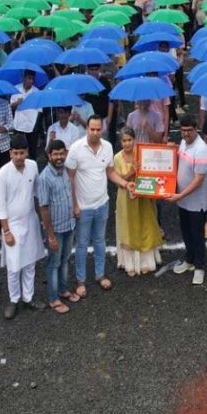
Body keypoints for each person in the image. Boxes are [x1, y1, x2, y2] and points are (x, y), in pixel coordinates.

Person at [67, 116, 130, 297]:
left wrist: (125, 184)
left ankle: (100, 275)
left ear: (102, 129)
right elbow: (70, 177)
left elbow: (110, 172)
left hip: (102, 203)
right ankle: (81, 281)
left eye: (98, 129)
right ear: (86, 128)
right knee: (82, 244)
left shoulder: (108, 147)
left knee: (100, 241)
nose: (95, 133)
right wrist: (74, 205)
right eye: (92, 129)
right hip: (83, 207)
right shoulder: (76, 149)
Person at [0, 134, 46, 319]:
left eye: (22, 153)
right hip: (12, 225)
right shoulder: (3, 174)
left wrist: (44, 217)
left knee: (30, 262)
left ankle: (28, 297)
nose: (19, 156)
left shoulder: (33, 166)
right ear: (10, 153)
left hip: (30, 220)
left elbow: (37, 193)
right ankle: (14, 299)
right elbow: (0, 205)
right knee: (14, 265)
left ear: (27, 152)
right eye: (15, 153)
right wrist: (6, 231)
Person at [167, 116, 207, 285]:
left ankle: (199, 267)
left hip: (195, 203)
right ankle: (189, 259)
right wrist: (174, 148)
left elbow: (198, 180)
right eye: (183, 131)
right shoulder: (184, 143)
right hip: (183, 201)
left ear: (195, 129)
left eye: (189, 130)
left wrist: (180, 195)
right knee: (186, 232)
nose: (185, 134)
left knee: (197, 235)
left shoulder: (201, 149)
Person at [115, 127, 163, 275]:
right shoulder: (117, 158)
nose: (127, 143)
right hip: (125, 199)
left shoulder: (142, 153)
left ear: (134, 140)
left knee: (145, 224)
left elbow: (152, 171)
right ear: (120, 142)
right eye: (124, 140)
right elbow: (118, 182)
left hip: (143, 197)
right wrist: (132, 171)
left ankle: (145, 261)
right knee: (128, 227)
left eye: (129, 140)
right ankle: (129, 263)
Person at [37, 139, 76, 314]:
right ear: (49, 155)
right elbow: (43, 209)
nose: (59, 157)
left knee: (65, 260)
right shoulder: (45, 177)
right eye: (55, 154)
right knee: (54, 263)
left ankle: (62, 290)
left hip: (69, 224)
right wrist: (50, 235)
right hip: (56, 229)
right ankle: (53, 299)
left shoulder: (66, 171)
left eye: (62, 153)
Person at [11, 70, 41, 159]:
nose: (31, 81)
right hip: (18, 124)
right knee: (17, 147)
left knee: (32, 151)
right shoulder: (16, 89)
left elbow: (40, 111)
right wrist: (17, 103)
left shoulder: (37, 92)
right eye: (29, 78)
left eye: (32, 79)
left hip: (31, 125)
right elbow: (11, 107)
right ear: (24, 78)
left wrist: (36, 126)